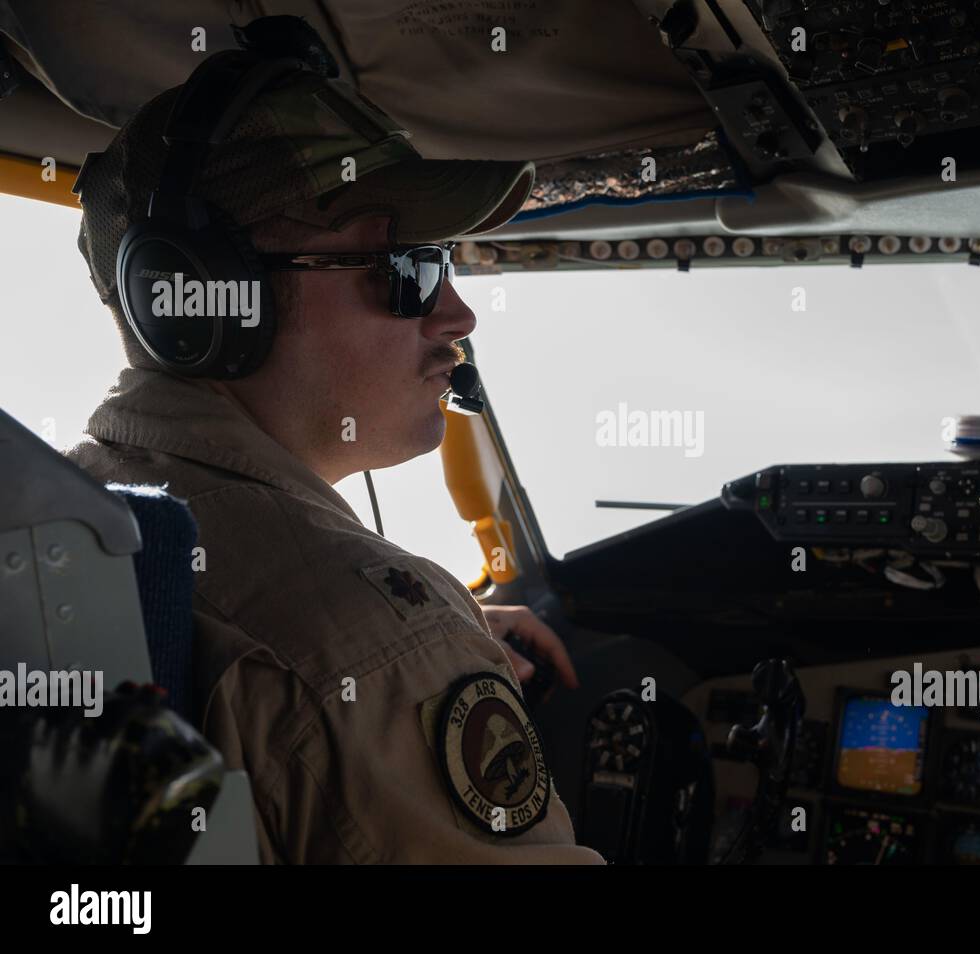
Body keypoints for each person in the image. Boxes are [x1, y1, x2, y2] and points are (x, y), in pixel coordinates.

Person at [66, 51, 603, 864]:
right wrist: (413, 645)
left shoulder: (74, 509)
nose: (458, 317)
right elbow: (322, 648)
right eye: (408, 269)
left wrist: (425, 640)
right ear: (210, 298)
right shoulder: (368, 642)